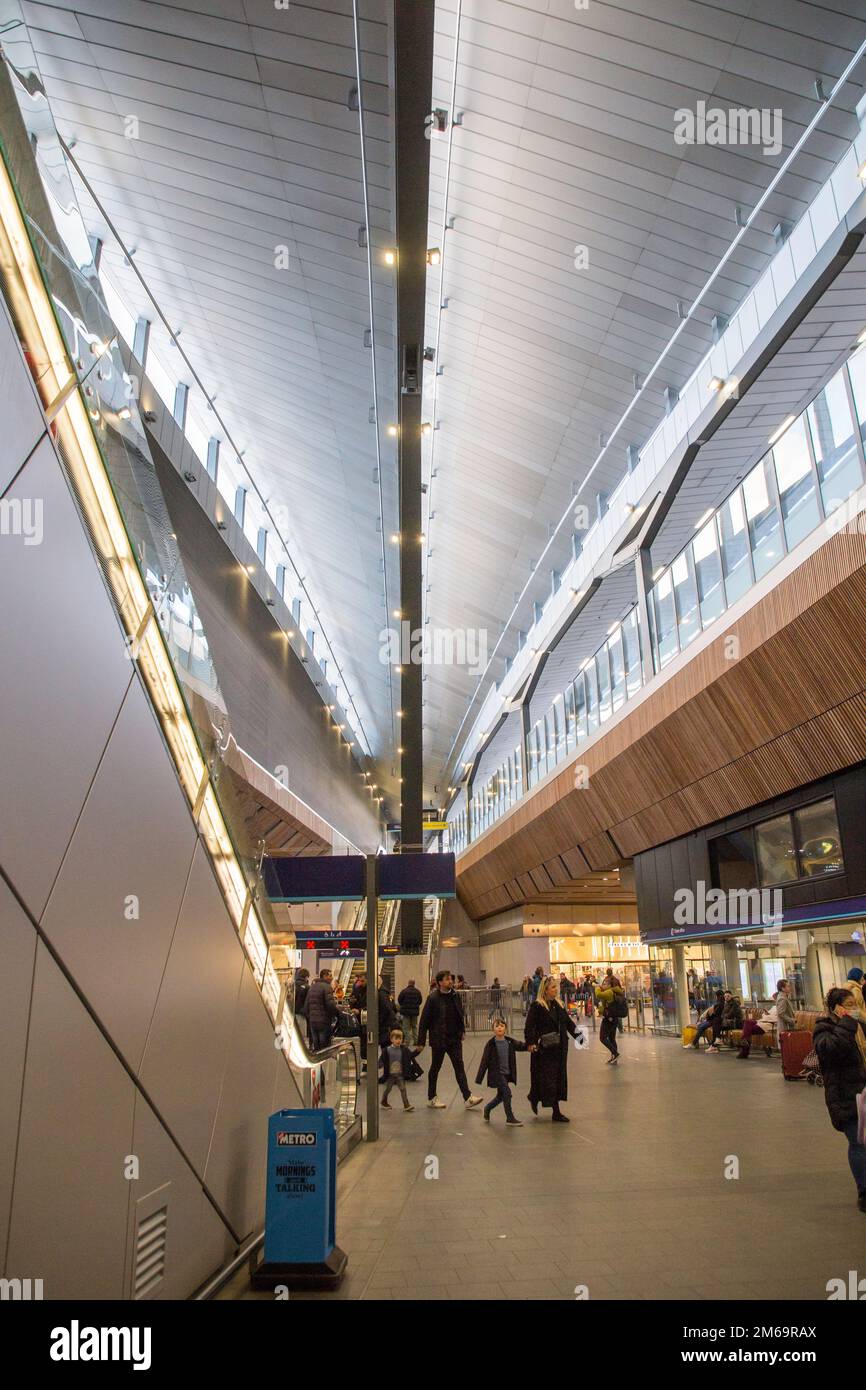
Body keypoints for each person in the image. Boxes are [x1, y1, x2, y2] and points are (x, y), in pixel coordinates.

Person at [813, 987, 866, 1212]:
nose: (854, 1009)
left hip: (863, 1092)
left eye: (856, 1004)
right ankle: (864, 1191)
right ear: (836, 1007)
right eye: (849, 1005)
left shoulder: (861, 1026)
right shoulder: (823, 1028)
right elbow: (832, 1050)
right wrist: (847, 1022)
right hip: (844, 1096)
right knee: (858, 1142)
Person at [417, 970, 484, 1109]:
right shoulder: (432, 998)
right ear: (440, 982)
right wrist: (421, 1041)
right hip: (439, 1040)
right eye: (447, 979)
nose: (451, 982)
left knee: (459, 1068)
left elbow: (460, 1013)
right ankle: (432, 1097)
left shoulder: (455, 995)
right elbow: (424, 1021)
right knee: (435, 1068)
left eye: (451, 979)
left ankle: (468, 1098)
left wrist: (462, 1030)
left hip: (454, 1040)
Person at [525, 975, 578, 1121]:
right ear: (546, 990)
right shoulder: (537, 1006)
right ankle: (547, 1106)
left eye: (556, 987)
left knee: (557, 1078)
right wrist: (530, 1043)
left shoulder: (558, 1005)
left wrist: (580, 1038)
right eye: (553, 987)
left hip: (559, 1048)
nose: (556, 990)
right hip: (544, 1049)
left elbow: (568, 1023)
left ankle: (551, 1107)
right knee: (547, 1079)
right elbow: (529, 1026)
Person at [475, 1017, 533, 1125]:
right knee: (507, 1093)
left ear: (505, 1028)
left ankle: (487, 1108)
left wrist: (529, 1047)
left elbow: (521, 1045)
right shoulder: (490, 1044)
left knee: (501, 1096)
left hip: (506, 1074)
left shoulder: (510, 1041)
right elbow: (484, 1061)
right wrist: (479, 1078)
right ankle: (509, 1118)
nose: (499, 1028)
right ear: (493, 1029)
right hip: (497, 1074)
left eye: (502, 1026)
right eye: (497, 1026)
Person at [380, 1027, 417, 1113]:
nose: (398, 1040)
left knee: (403, 1089)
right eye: (396, 1038)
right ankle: (384, 1100)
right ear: (391, 1039)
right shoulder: (387, 1050)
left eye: (400, 1038)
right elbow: (382, 1059)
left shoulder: (403, 1049)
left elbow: (411, 1055)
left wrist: (417, 1051)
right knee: (388, 1089)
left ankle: (406, 1104)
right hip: (390, 1075)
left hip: (400, 1074)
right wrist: (379, 1065)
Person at [305, 968, 338, 1052]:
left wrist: (310, 1017)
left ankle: (317, 1062)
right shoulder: (327, 987)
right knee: (324, 1046)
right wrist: (337, 1014)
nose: (332, 978)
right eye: (330, 976)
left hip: (313, 1021)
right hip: (323, 1020)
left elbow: (307, 1005)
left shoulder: (312, 987)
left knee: (316, 1045)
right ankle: (324, 1063)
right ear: (324, 976)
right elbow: (330, 1004)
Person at [596, 974, 626, 1063]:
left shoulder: (609, 992)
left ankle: (615, 1053)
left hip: (609, 1018)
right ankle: (614, 1057)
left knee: (602, 1038)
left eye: (605, 984)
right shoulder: (615, 991)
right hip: (614, 1018)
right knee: (612, 1038)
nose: (603, 985)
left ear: (610, 986)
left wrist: (597, 987)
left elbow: (598, 994)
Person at [397, 978, 423, 1045]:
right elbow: (420, 1001)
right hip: (414, 1012)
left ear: (408, 983)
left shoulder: (404, 991)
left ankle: (407, 1041)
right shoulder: (418, 992)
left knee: (406, 1027)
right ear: (414, 984)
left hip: (406, 1012)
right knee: (414, 1026)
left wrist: (403, 1005)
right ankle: (416, 1041)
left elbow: (399, 1000)